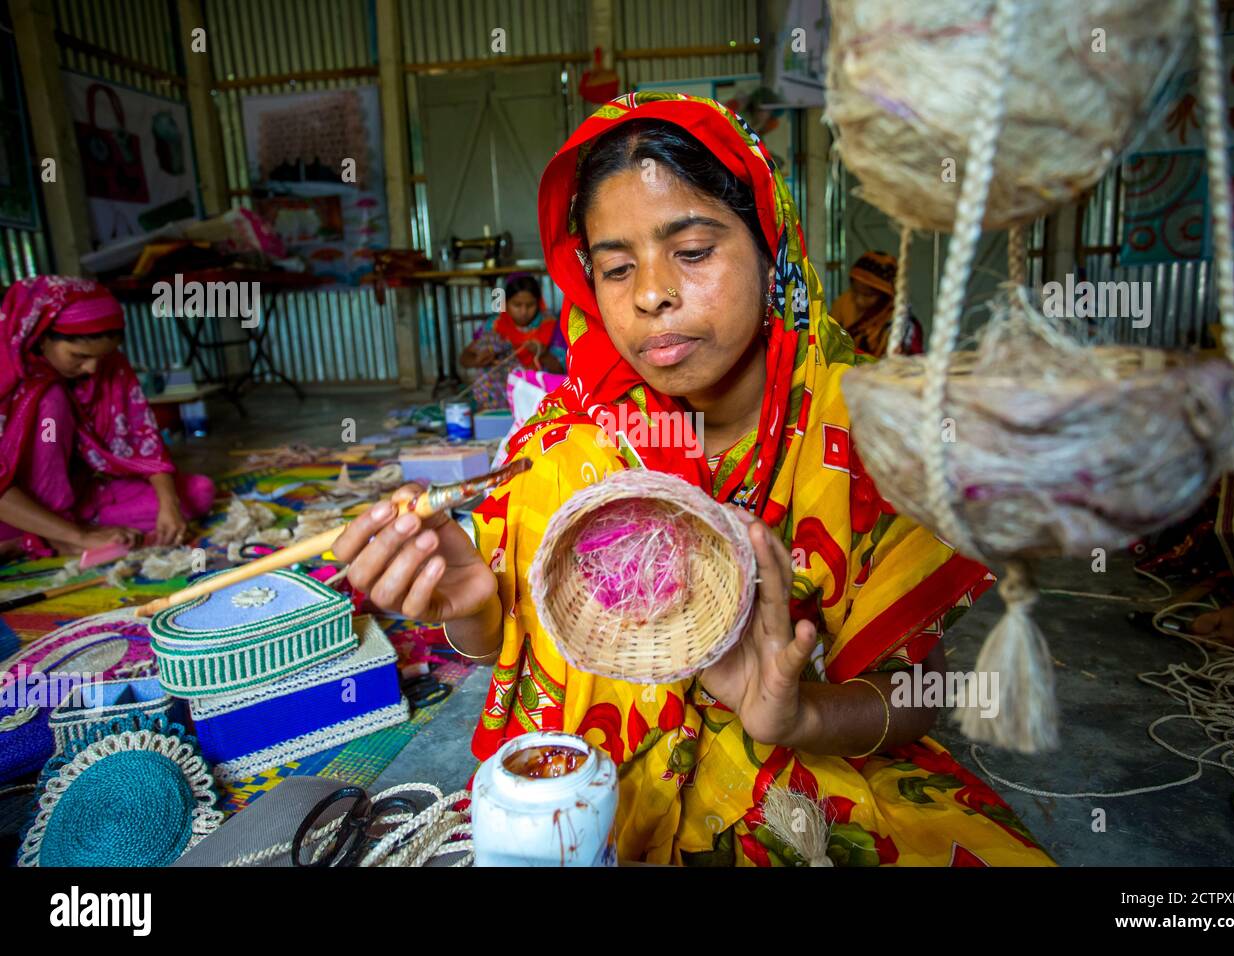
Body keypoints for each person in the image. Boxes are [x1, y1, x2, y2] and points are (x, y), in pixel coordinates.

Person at [335, 94, 1051, 866]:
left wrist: (798, 717)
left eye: (694, 251)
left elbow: (917, 695)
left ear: (771, 245)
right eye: (615, 267)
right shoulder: (561, 454)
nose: (650, 294)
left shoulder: (862, 434)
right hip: (599, 798)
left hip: (799, 785)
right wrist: (471, 608)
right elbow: (506, 656)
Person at [0, 277, 215, 558]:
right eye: (78, 356)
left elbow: (144, 437)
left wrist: (169, 504)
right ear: (40, 336)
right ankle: (44, 537)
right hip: (15, 507)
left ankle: (52, 535)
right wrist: (79, 535)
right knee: (51, 411)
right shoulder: (12, 376)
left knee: (197, 493)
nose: (91, 368)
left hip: (80, 495)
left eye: (101, 357)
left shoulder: (105, 365)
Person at [459, 272, 566, 410]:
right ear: (505, 303)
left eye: (530, 305)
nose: (523, 311)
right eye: (517, 305)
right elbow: (464, 359)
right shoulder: (496, 325)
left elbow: (562, 372)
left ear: (539, 303)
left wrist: (543, 354)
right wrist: (479, 360)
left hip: (539, 399)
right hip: (498, 398)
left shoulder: (550, 326)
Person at [829, 251, 923, 358]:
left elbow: (907, 365)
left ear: (886, 297)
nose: (859, 300)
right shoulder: (844, 303)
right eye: (855, 292)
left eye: (868, 296)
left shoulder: (903, 326)